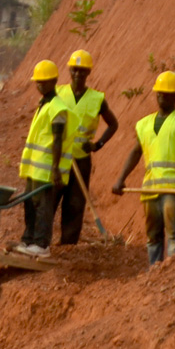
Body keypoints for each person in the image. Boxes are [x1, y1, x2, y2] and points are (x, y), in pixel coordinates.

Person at [110, 72, 175, 266]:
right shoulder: (144, 124)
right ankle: (154, 274)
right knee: (153, 235)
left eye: (167, 94)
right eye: (159, 93)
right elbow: (136, 152)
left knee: (174, 233)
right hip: (150, 189)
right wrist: (121, 178)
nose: (162, 97)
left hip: (174, 189)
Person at [54, 48, 120, 244]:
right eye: (74, 69)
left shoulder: (97, 99)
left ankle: (68, 244)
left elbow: (113, 124)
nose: (78, 74)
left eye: (82, 71)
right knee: (50, 198)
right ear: (69, 70)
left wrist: (97, 144)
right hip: (60, 155)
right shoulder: (58, 93)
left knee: (75, 203)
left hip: (81, 159)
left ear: (88, 72)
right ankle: (41, 242)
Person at [14, 60, 69, 258]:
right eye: (37, 82)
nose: (39, 85)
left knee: (44, 207)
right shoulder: (44, 104)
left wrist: (55, 168)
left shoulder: (57, 108)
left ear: (54, 81)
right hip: (35, 168)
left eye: (43, 81)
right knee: (30, 204)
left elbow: (57, 140)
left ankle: (41, 244)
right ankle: (28, 239)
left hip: (47, 169)